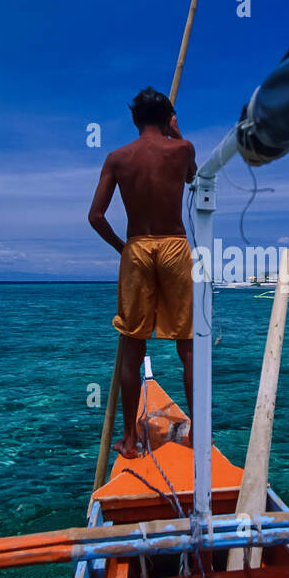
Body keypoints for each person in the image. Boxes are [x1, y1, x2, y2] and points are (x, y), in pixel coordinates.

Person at [87, 87, 196, 459]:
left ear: (134, 120)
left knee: (133, 346)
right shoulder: (183, 149)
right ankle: (197, 434)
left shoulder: (117, 157)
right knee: (188, 345)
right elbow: (192, 177)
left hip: (137, 247)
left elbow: (95, 217)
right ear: (168, 118)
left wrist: (124, 248)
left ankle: (130, 441)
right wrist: (177, 134)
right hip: (174, 246)